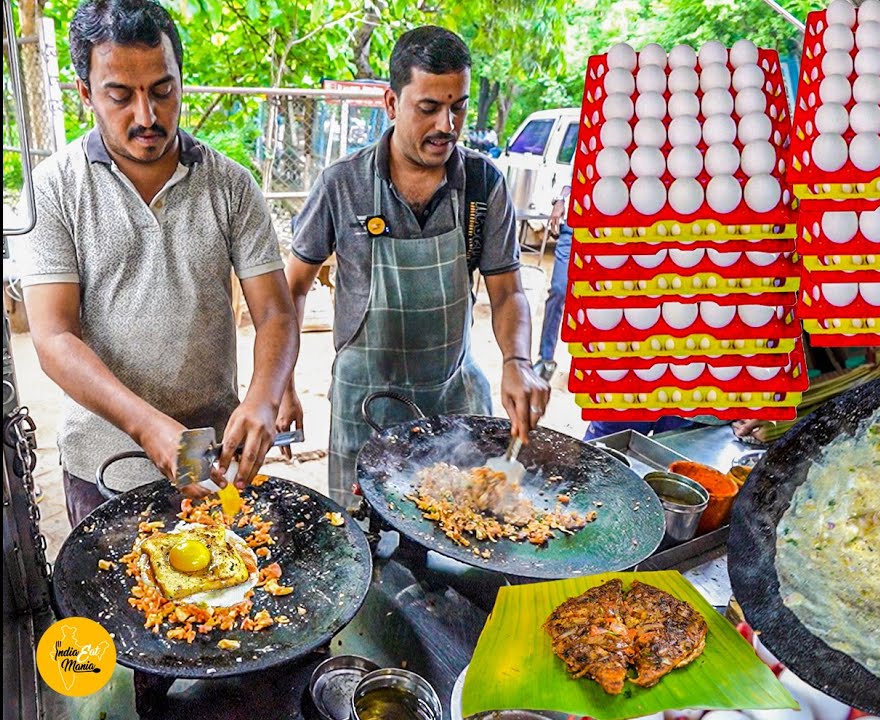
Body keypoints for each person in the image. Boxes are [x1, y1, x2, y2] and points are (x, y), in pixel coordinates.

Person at [20, 0, 299, 527]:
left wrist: (263, 399)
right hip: (104, 467)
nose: (147, 116)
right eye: (120, 96)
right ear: (85, 94)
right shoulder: (53, 189)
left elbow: (276, 314)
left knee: (225, 575)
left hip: (210, 461)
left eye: (163, 91)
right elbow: (54, 337)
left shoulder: (231, 186)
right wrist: (148, 426)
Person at [280, 26, 549, 507]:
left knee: (464, 524)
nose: (447, 124)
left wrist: (518, 362)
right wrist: (282, 385)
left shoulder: (483, 185)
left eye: (458, 107)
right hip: (365, 404)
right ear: (391, 102)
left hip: (453, 397)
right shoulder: (343, 185)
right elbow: (292, 290)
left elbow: (507, 291)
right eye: (428, 108)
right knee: (363, 526)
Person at [534, 183, 573, 381]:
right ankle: (545, 357)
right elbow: (567, 178)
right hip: (573, 227)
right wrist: (560, 200)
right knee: (559, 289)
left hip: (606, 230)